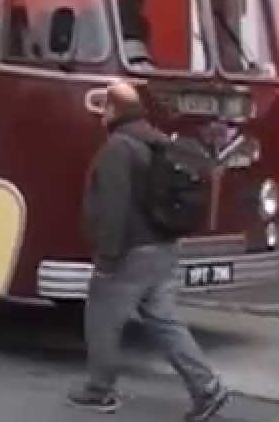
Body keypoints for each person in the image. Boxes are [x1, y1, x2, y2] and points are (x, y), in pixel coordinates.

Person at [68, 82, 230, 421]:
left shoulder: (119, 149)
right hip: (163, 248)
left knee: (101, 317)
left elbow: (114, 207)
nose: (102, 114)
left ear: (114, 111)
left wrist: (108, 257)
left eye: (106, 107)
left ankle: (100, 390)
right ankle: (207, 388)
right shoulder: (156, 141)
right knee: (165, 321)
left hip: (131, 252)